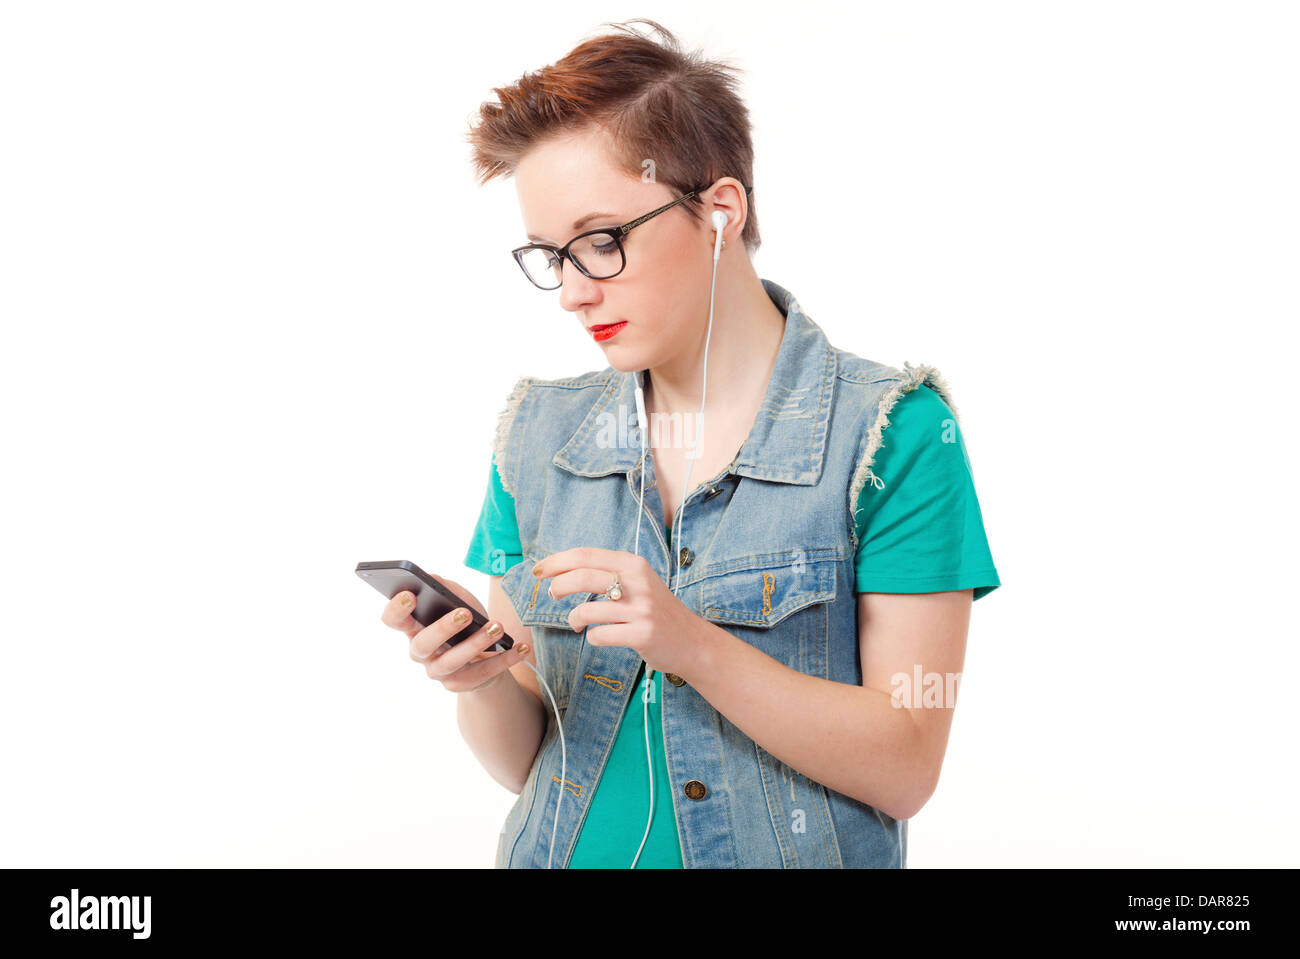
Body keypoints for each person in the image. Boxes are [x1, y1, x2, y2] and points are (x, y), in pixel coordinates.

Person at [382, 18, 1000, 868]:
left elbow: (905, 765)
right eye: (550, 254)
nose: (571, 292)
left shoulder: (891, 434)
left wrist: (694, 644)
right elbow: (530, 759)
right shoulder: (536, 435)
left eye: (601, 243)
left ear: (718, 210)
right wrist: (481, 678)